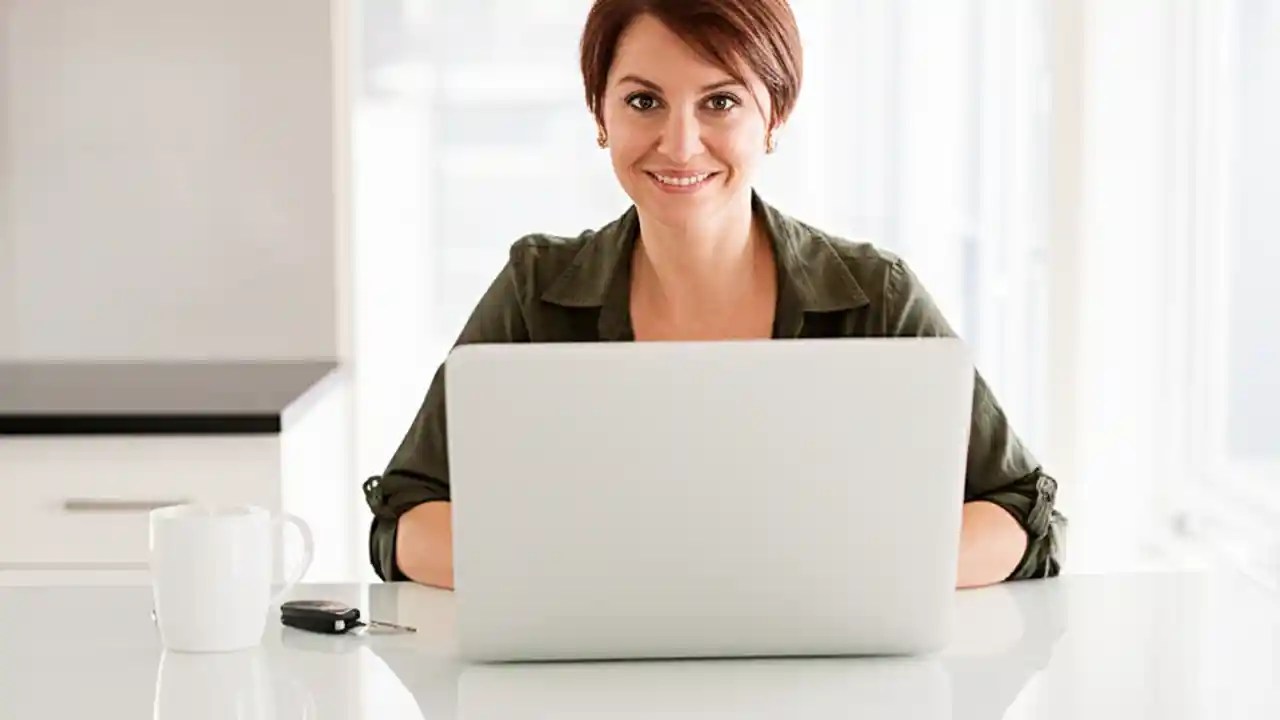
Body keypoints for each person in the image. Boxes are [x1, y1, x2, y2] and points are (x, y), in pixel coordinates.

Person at [363, 0, 1065, 591]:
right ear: (600, 113)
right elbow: (408, 518)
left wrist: (834, 575)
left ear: (775, 114)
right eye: (644, 101)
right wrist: (601, 577)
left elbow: (1019, 515)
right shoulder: (536, 288)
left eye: (721, 101)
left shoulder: (873, 294)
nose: (680, 143)